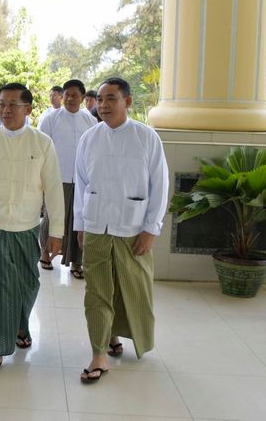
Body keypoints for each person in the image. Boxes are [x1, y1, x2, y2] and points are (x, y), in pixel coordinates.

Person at [0, 83, 64, 379]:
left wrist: (56, 232)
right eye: (2, 104)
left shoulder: (42, 143)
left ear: (28, 109)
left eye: (13, 105)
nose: (5, 110)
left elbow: (54, 190)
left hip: (26, 228)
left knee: (27, 284)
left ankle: (20, 323)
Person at [73, 77, 168, 383]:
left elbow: (160, 185)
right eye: (100, 99)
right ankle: (99, 352)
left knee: (132, 288)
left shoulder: (146, 137)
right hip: (97, 225)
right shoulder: (89, 138)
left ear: (127, 102)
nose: (103, 105)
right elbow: (81, 187)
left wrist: (151, 228)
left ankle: (118, 334)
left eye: (111, 99)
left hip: (133, 227)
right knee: (97, 292)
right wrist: (80, 225)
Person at [37, 80, 97, 277]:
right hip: (56, 178)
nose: (70, 98)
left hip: (82, 180)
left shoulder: (90, 121)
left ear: (83, 97)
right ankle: (45, 253)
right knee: (53, 217)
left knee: (78, 221)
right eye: (67, 95)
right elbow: (40, 151)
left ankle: (76, 263)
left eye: (75, 95)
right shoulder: (50, 119)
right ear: (63, 96)